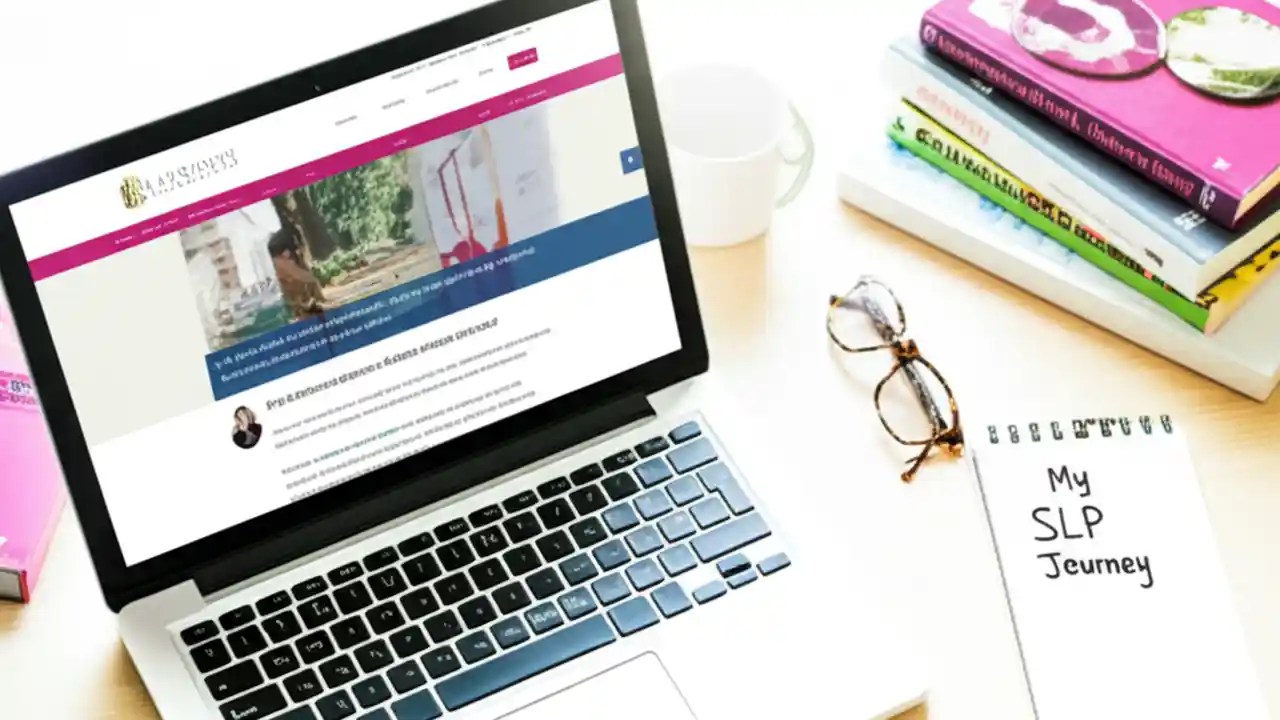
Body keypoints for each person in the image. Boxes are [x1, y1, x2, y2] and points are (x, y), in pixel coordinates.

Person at [268, 229, 327, 320]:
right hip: (298, 305)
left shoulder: (292, 260)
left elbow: (308, 279)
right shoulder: (282, 263)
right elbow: (307, 278)